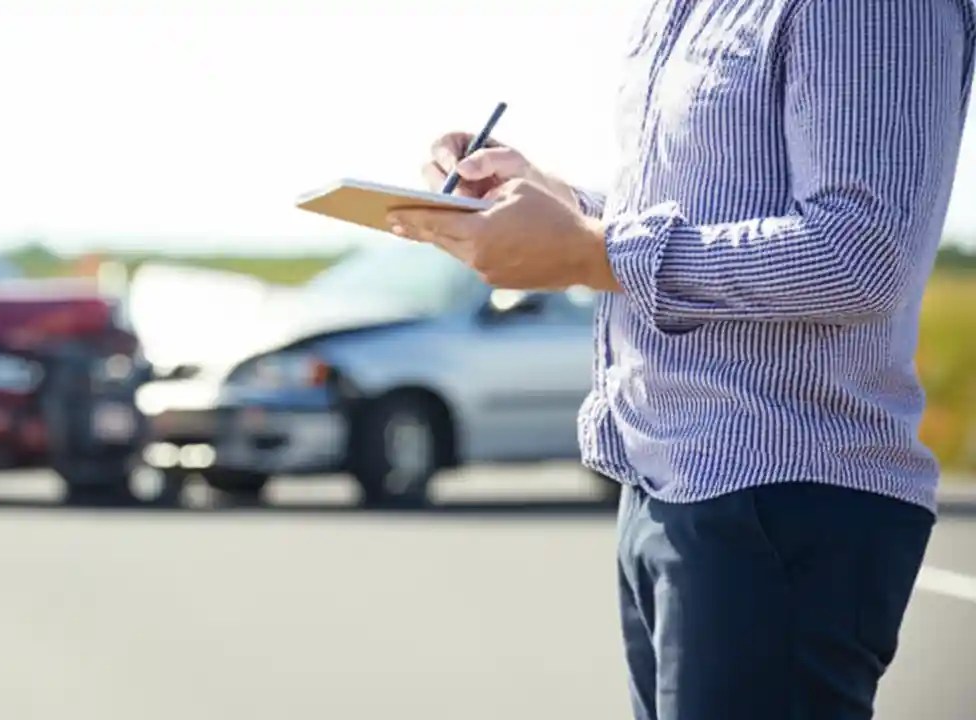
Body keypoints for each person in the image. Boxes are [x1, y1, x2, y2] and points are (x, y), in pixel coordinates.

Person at [386, 1, 976, 718]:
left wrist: (589, 249)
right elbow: (702, 212)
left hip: (782, 497)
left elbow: (859, 257)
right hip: (667, 483)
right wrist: (555, 204)